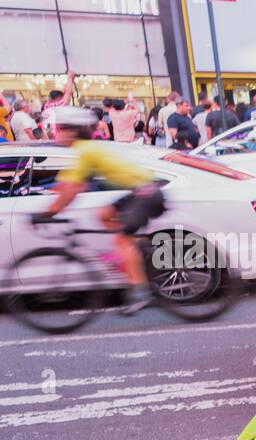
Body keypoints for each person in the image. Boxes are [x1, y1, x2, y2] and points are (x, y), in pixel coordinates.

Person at [37, 107, 165, 315]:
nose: (56, 133)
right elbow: (69, 184)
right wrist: (49, 197)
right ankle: (136, 251)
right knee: (103, 215)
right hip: (140, 190)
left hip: (147, 193)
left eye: (59, 129)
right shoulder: (84, 150)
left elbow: (73, 188)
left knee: (121, 240)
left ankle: (142, 293)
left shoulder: (85, 151)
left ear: (72, 131)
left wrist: (49, 213)